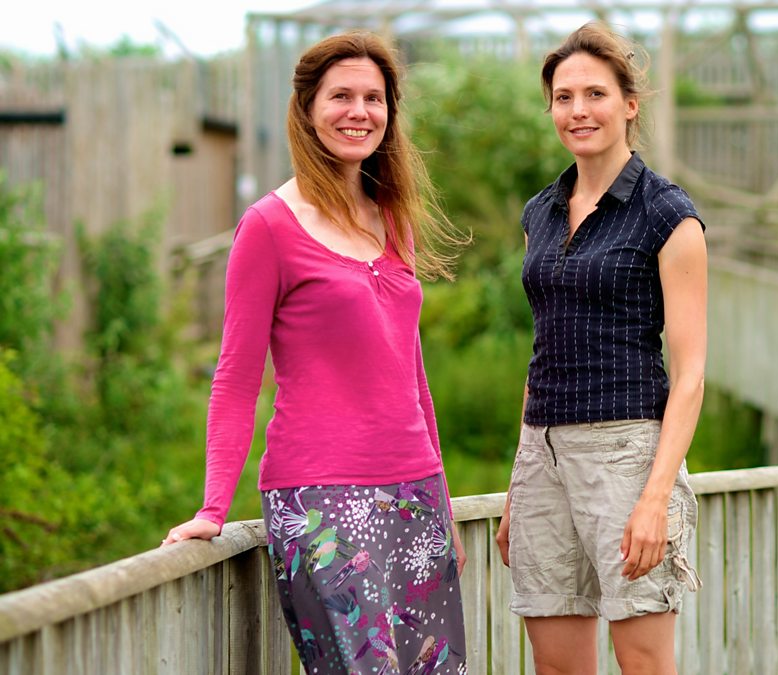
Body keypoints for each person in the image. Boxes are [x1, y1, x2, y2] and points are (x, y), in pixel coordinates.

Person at [161, 31, 468, 675]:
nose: (360, 111)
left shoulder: (393, 217)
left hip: (414, 493)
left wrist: (439, 495)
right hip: (323, 499)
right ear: (306, 109)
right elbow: (236, 378)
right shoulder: (268, 226)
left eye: (374, 98)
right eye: (341, 96)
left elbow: (410, 373)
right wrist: (214, 507)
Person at [495, 21, 707, 675]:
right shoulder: (541, 212)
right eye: (564, 97)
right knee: (557, 665)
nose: (578, 110)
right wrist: (517, 483)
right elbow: (545, 344)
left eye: (595, 94)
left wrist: (655, 497)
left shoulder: (668, 215)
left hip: (627, 452)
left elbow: (692, 372)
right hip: (543, 454)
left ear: (629, 104)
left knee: (642, 662)